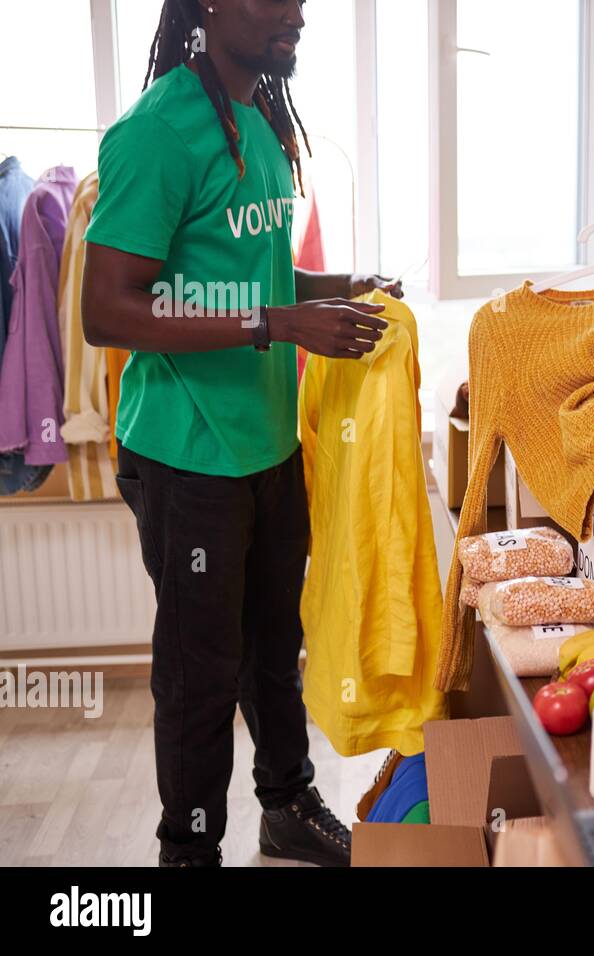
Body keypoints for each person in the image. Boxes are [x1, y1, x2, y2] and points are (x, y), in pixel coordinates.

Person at [82, 0, 397, 867]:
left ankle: (287, 803)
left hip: (267, 443)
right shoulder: (157, 133)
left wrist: (338, 287)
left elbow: (251, 272)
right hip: (187, 455)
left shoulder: (258, 118)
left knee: (273, 648)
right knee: (201, 672)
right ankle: (188, 850)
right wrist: (280, 325)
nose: (296, 14)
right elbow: (107, 310)